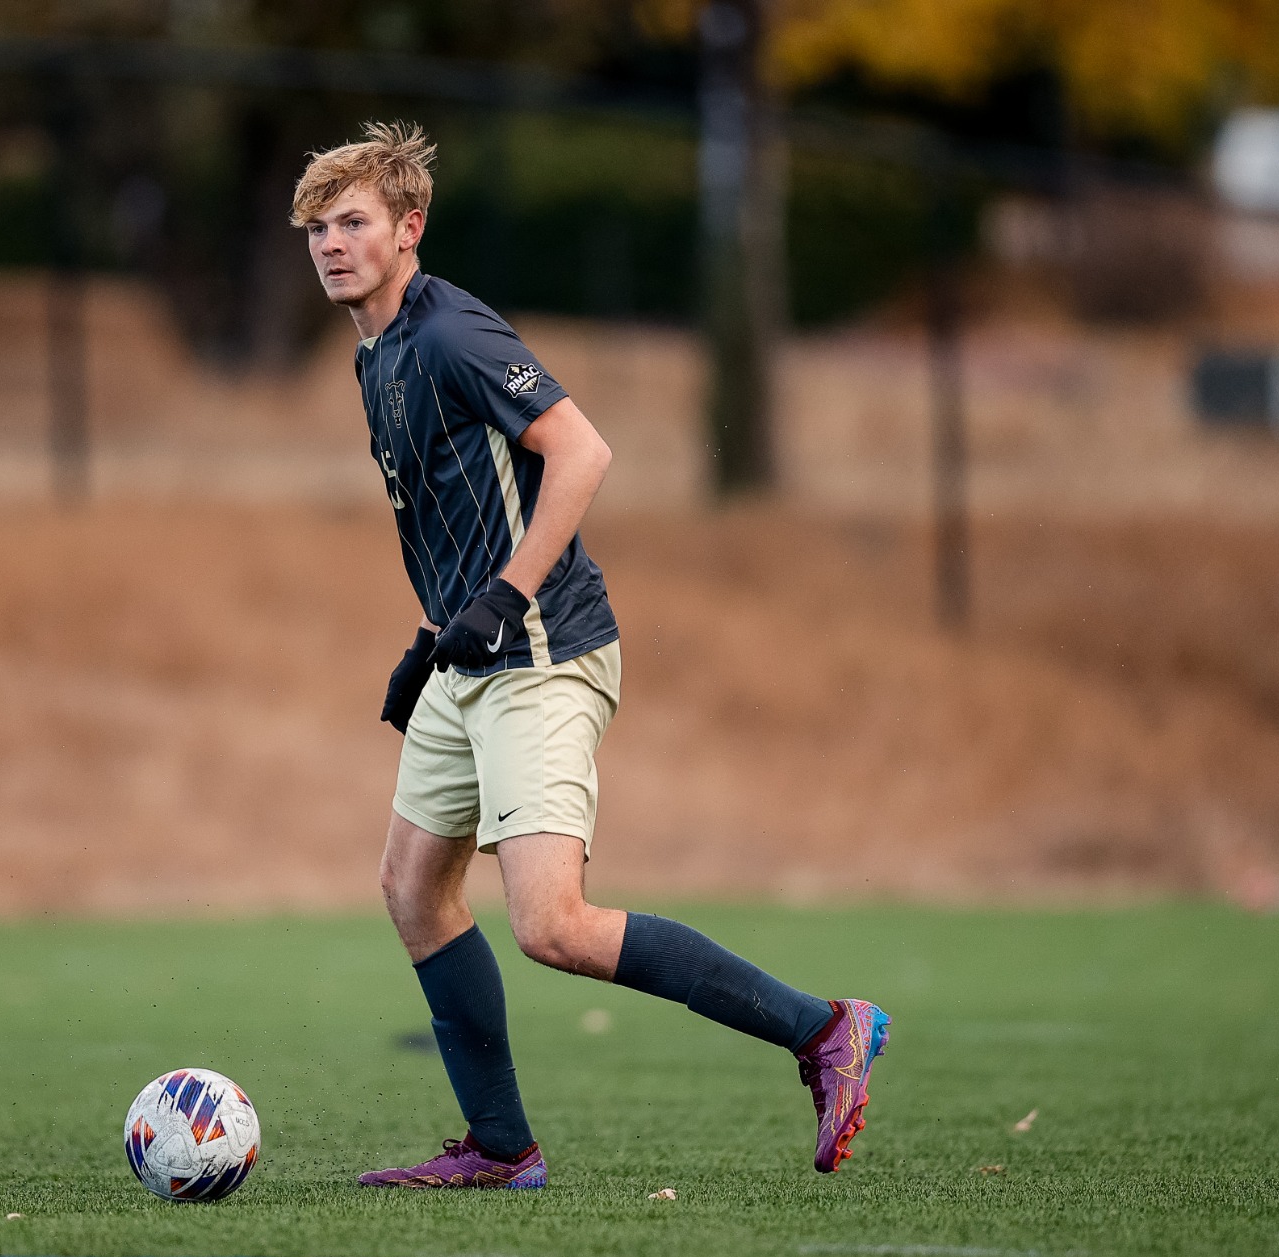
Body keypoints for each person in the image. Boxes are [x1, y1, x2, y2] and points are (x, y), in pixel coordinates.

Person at [293, 123, 889, 1188]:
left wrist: (503, 594)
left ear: (407, 230)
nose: (331, 243)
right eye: (317, 228)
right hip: (468, 658)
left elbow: (580, 449)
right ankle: (498, 1145)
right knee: (413, 891)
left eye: (353, 223)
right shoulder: (374, 351)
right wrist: (430, 635)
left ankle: (821, 1031)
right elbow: (460, 510)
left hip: (536, 650)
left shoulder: (448, 335)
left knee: (551, 925)